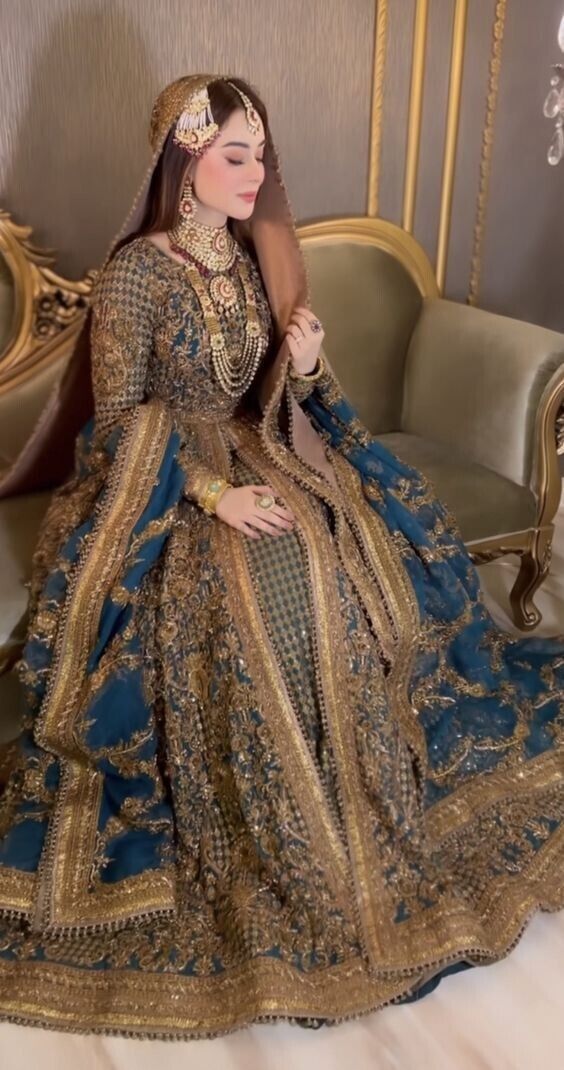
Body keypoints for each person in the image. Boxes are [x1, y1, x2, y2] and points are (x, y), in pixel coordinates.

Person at [0, 73, 562, 1041]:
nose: (257, 171)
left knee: (352, 552)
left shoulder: (258, 259)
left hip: (260, 443)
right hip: (165, 483)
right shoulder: (137, 273)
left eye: (262, 152)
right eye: (235, 153)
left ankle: (358, 810)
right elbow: (121, 420)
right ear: (184, 164)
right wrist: (213, 493)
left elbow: (284, 395)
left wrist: (303, 365)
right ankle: (292, 842)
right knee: (254, 586)